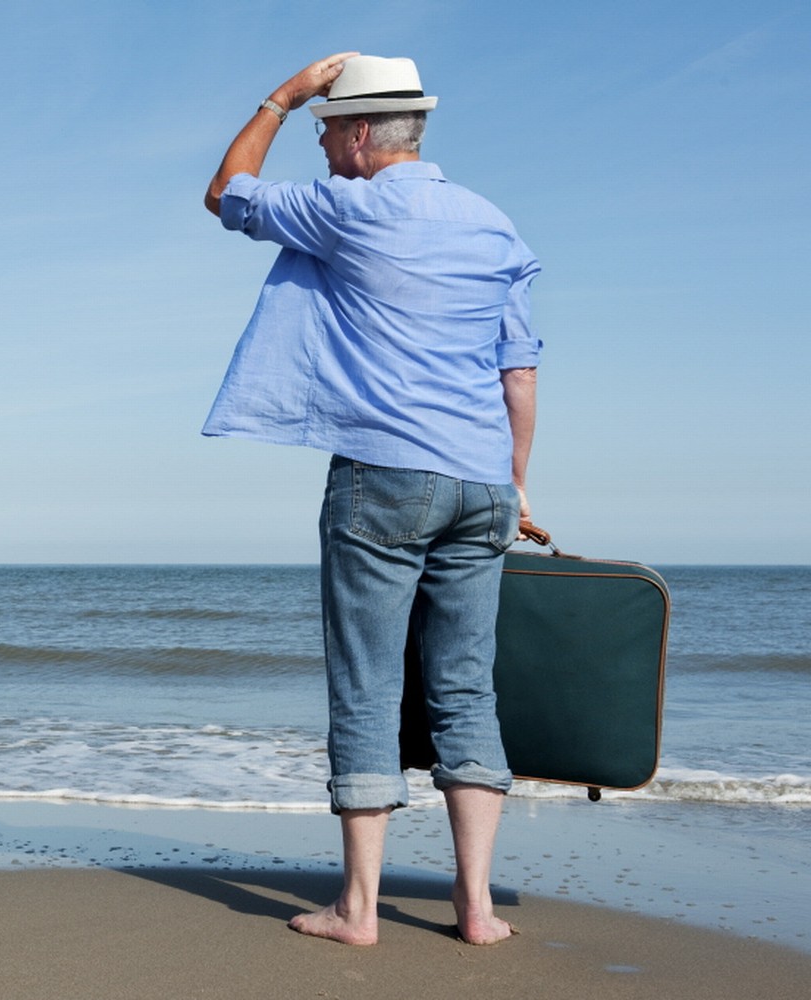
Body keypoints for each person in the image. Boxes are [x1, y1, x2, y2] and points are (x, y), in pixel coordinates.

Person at [201, 53, 541, 946]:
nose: (318, 145)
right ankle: (475, 909)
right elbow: (519, 371)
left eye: (324, 129)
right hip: (481, 480)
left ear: (358, 133)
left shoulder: (347, 210)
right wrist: (514, 484)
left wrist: (281, 94)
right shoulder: (494, 226)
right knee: (467, 691)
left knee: (366, 688)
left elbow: (229, 191)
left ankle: (359, 910)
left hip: (383, 476)